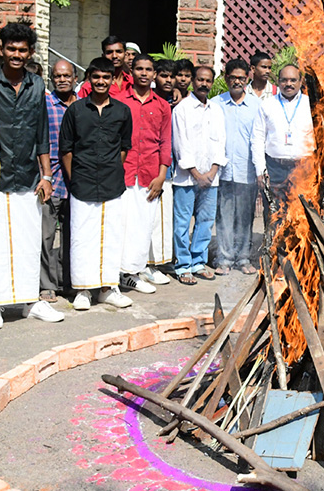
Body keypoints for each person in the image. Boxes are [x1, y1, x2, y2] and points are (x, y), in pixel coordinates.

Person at [0, 23, 63, 328]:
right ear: (1, 49)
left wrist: (46, 175)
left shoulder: (37, 85)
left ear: (31, 53)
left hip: (27, 176)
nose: (17, 55)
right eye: (11, 48)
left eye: (23, 50)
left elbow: (41, 134)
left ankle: (28, 300)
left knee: (27, 241)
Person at [61, 57, 134, 311]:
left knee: (111, 236)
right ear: (89, 79)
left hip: (112, 184)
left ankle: (107, 288)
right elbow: (66, 150)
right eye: (96, 77)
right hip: (82, 184)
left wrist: (111, 169)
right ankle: (83, 290)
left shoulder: (122, 111)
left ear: (113, 79)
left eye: (106, 77)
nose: (101, 81)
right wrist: (76, 178)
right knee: (82, 236)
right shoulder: (76, 110)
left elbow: (124, 148)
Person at [116, 54, 173, 293]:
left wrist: (161, 176)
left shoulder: (162, 105)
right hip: (122, 172)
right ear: (132, 71)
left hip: (150, 175)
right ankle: (115, 273)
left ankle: (133, 272)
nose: (143, 73)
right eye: (138, 68)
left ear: (153, 74)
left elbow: (165, 142)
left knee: (142, 226)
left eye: (148, 69)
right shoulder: (118, 100)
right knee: (119, 224)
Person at [171, 66, 226, 284]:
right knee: (183, 222)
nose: (204, 84)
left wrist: (212, 171)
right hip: (186, 177)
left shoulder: (216, 110)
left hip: (211, 178)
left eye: (208, 80)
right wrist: (195, 173)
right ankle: (183, 265)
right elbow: (180, 144)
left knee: (205, 221)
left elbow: (221, 143)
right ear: (193, 81)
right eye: (200, 80)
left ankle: (198, 262)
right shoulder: (182, 109)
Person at [213, 59, 261, 275]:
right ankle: (224, 258)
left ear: (247, 79)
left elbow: (261, 138)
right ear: (226, 78)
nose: (237, 81)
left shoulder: (257, 106)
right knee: (223, 216)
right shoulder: (215, 104)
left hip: (247, 171)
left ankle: (243, 258)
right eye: (233, 77)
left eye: (242, 78)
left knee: (245, 217)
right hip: (221, 171)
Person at [253, 65, 313, 211]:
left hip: (303, 168)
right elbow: (257, 138)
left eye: (293, 80)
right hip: (275, 169)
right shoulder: (267, 104)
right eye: (284, 80)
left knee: (301, 216)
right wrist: (260, 170)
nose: (288, 84)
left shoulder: (311, 104)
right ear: (278, 81)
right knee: (274, 215)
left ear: (301, 81)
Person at [41, 60, 76, 301]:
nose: (62, 79)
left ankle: (68, 282)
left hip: (76, 181)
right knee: (45, 237)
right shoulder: (44, 104)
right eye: (57, 76)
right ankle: (46, 285)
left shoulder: (83, 106)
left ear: (75, 78)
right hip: (51, 180)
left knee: (71, 236)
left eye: (66, 76)